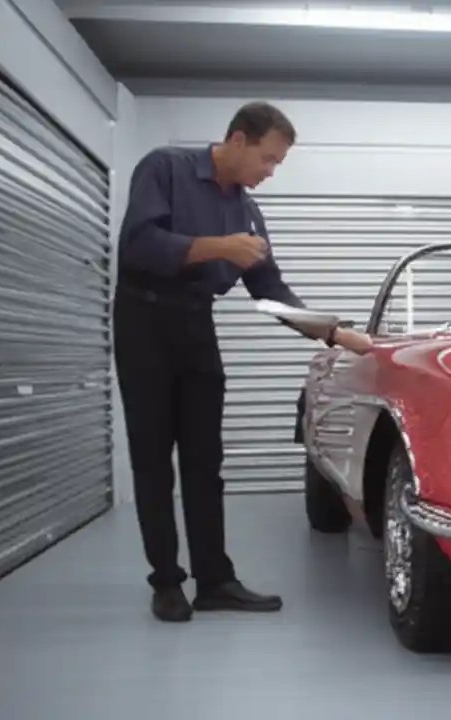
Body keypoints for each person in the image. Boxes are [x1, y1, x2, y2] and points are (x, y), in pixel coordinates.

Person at [113, 101, 373, 622]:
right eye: (268, 160)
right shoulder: (164, 168)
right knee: (152, 460)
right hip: (143, 321)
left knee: (205, 462)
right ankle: (166, 583)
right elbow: (138, 245)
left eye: (277, 163)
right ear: (237, 140)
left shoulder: (247, 210)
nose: (270, 172)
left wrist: (337, 334)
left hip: (194, 325)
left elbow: (269, 290)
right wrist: (218, 248)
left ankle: (215, 581)